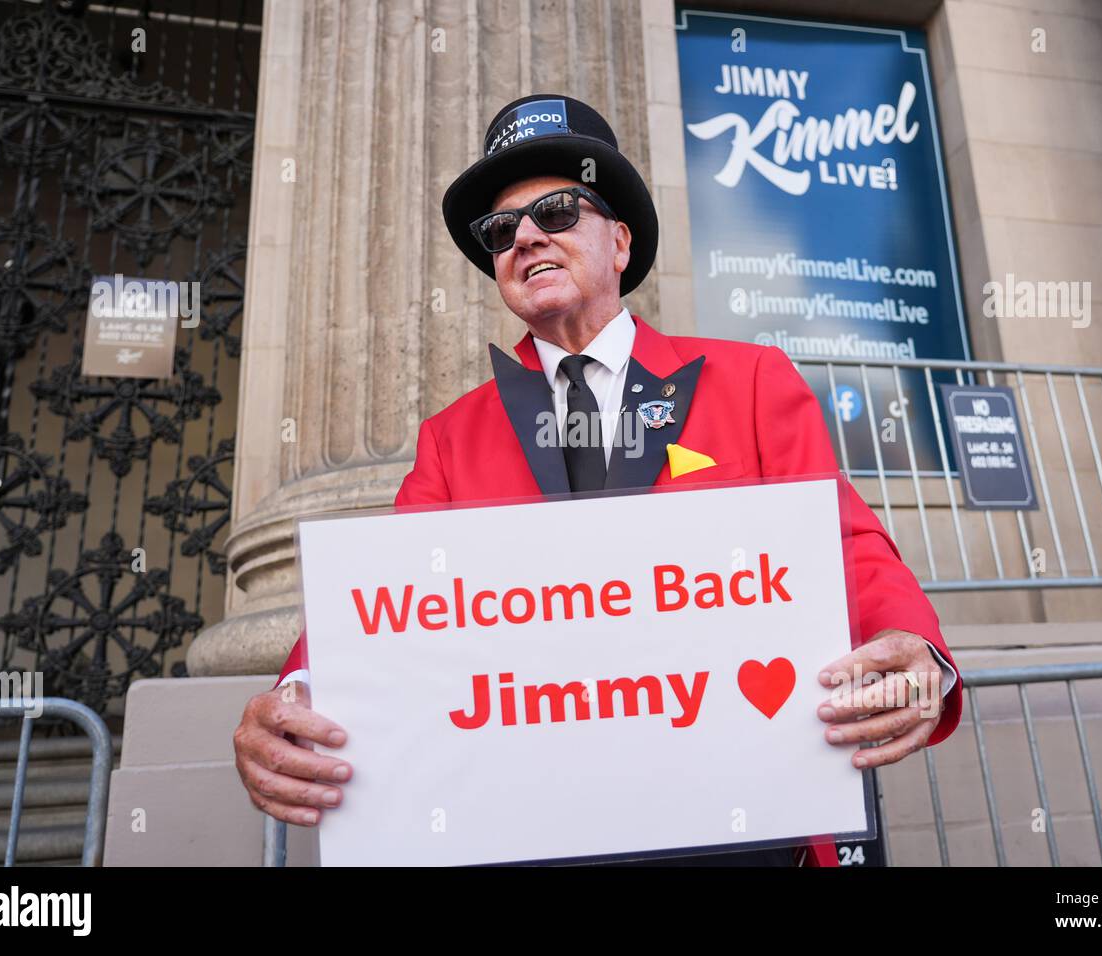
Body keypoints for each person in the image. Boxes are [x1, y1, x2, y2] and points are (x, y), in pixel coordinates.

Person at [232, 94, 962, 866]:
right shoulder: (450, 439)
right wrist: (296, 696)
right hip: (537, 831)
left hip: (740, 821)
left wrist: (914, 648)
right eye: (501, 228)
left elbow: (842, 542)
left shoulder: (748, 380)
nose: (525, 237)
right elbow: (386, 608)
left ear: (619, 241)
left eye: (554, 209)